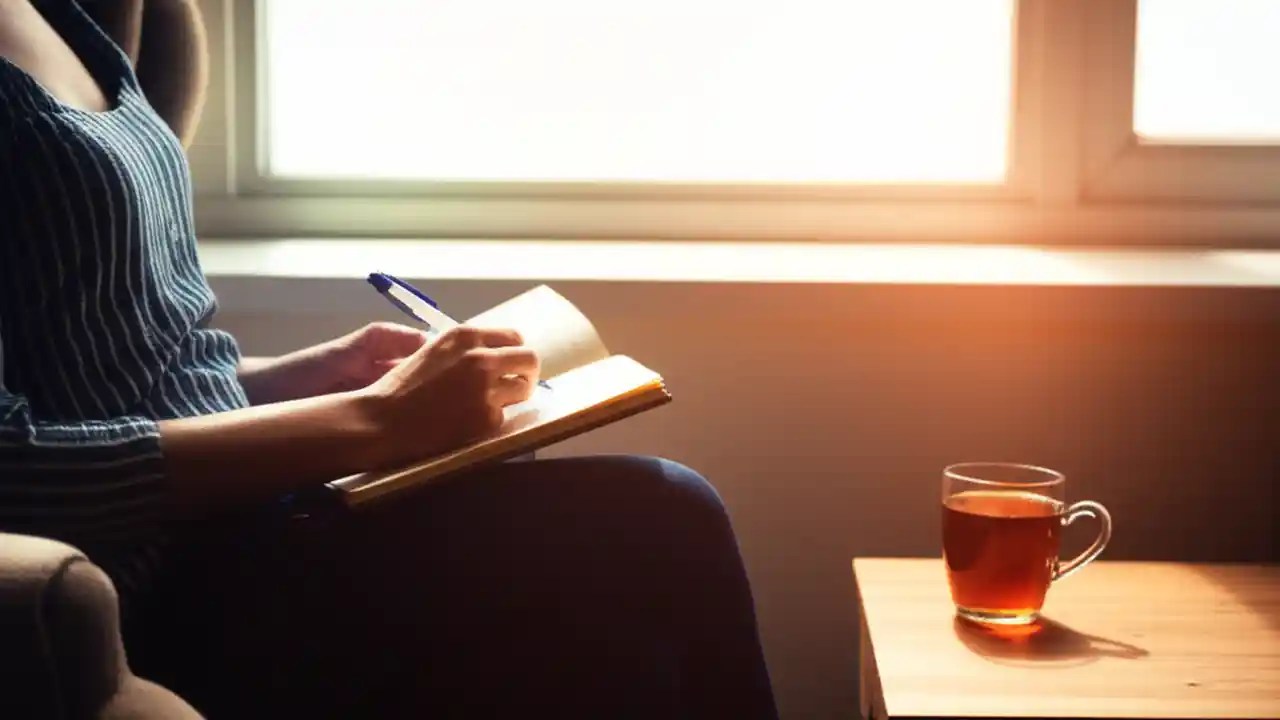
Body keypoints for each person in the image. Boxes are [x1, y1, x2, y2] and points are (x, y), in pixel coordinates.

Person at [0, 0, 779, 717]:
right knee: (656, 522)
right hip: (153, 582)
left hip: (237, 518)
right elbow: (19, 471)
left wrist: (307, 378)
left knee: (637, 571)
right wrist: (378, 420)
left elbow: (98, 361)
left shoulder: (68, 12)